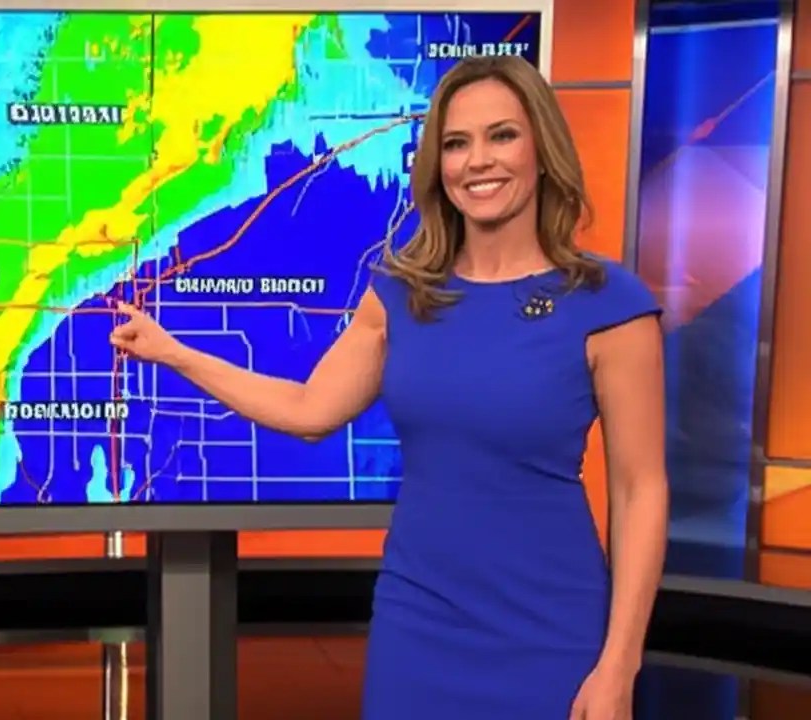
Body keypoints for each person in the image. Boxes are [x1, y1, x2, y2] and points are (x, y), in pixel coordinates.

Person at [111, 54, 667, 719]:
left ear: (542, 149)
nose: (477, 161)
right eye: (456, 144)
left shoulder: (607, 303)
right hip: (420, 624)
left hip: (551, 629)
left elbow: (640, 491)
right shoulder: (403, 294)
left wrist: (618, 664)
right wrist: (174, 353)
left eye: (502, 135)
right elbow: (308, 409)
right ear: (437, 166)